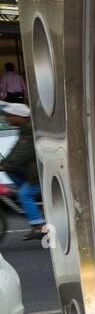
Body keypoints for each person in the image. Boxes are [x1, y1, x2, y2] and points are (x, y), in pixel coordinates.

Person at [0, 102, 44, 240]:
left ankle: (38, 227)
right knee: (11, 170)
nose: (7, 119)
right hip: (32, 169)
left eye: (9, 116)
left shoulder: (31, 130)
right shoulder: (24, 128)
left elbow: (23, 152)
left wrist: (6, 164)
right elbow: (16, 149)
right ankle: (33, 197)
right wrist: (4, 164)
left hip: (39, 172)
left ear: (19, 116)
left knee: (24, 194)